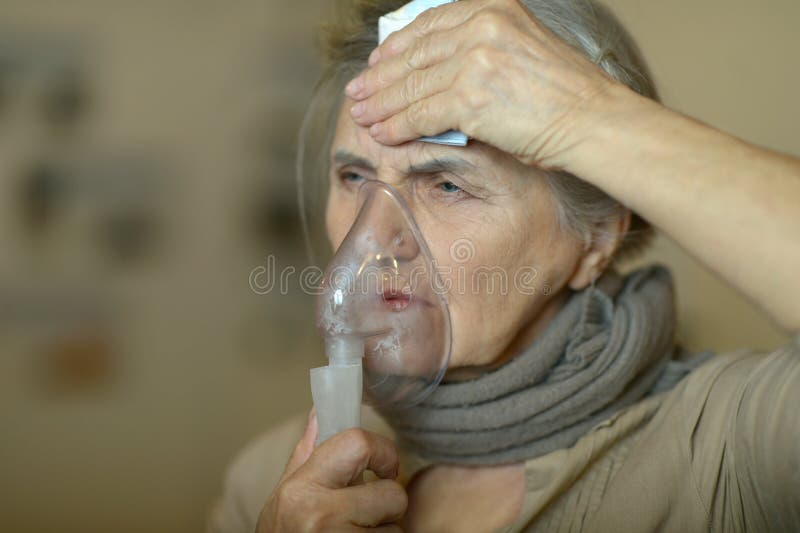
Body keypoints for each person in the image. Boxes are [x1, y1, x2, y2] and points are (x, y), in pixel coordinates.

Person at [209, 0, 800, 531]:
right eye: (355, 176)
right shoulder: (277, 489)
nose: (373, 238)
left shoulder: (732, 457)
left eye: (447, 185)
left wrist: (588, 113)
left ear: (595, 239)